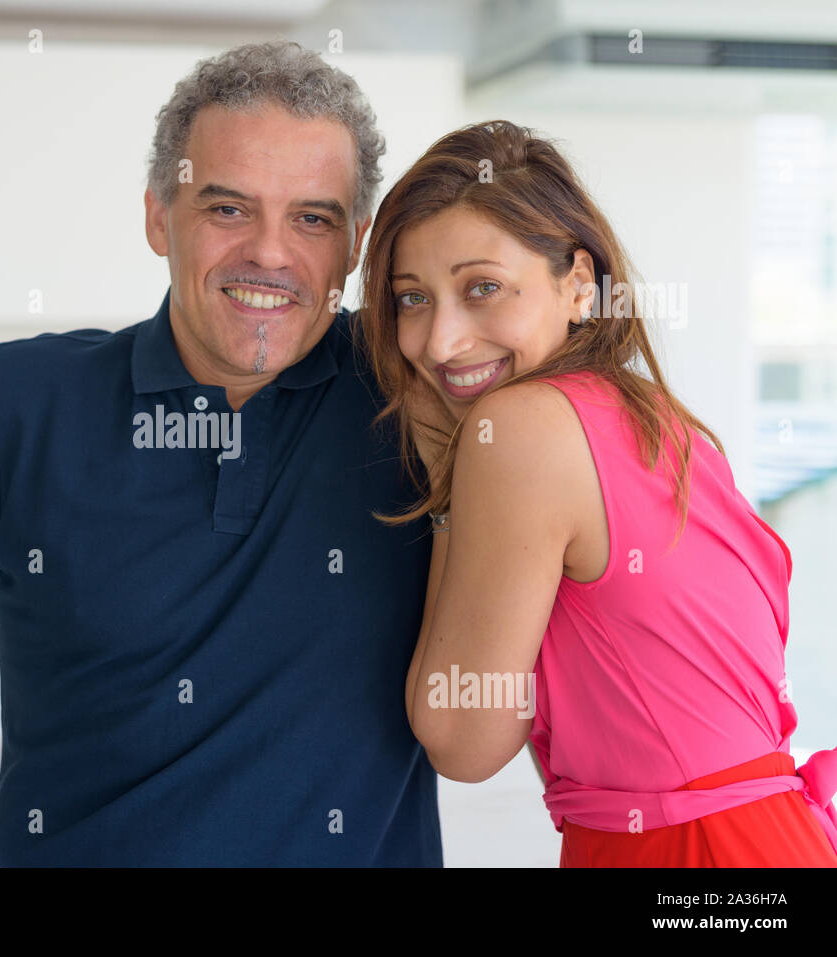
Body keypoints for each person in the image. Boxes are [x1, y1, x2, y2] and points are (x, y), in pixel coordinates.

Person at [0, 40, 443, 867]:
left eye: (312, 218)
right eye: (227, 208)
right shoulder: (5, 408)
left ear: (356, 244)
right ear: (157, 216)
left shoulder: (419, 397)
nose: (271, 254)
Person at [357, 119, 837, 867]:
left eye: (483, 288)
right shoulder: (662, 422)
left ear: (579, 283)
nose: (441, 340)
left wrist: (446, 473)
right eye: (411, 299)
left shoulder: (521, 429)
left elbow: (462, 735)